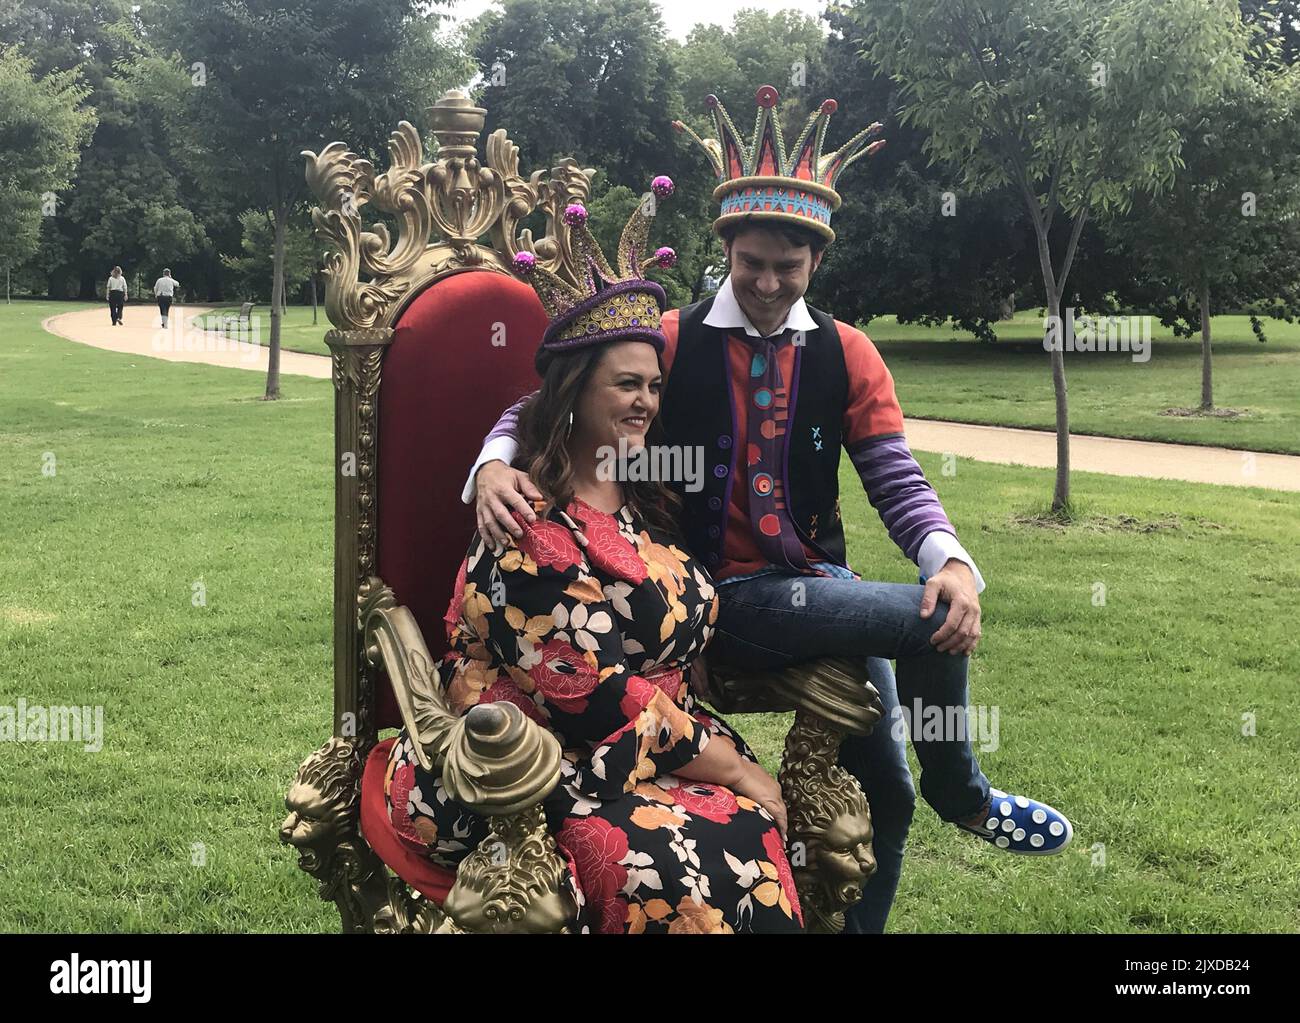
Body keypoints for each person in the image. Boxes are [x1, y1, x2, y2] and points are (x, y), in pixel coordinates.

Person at [466, 88, 1073, 934]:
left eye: (787, 267)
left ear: (814, 264)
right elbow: (554, 397)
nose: (767, 281)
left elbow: (895, 476)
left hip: (820, 586)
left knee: (885, 786)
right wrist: (493, 463)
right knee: (920, 613)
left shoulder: (848, 350)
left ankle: (900, 859)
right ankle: (965, 791)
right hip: (724, 598)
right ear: (726, 249)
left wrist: (951, 553)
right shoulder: (672, 340)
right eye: (751, 261)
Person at [385, 179, 803, 934]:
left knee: (752, 834)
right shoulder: (524, 520)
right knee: (666, 861)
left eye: (653, 384)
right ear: (577, 393)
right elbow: (593, 694)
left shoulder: (643, 491)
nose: (645, 400)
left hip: (642, 750)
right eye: (625, 384)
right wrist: (735, 765)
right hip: (526, 763)